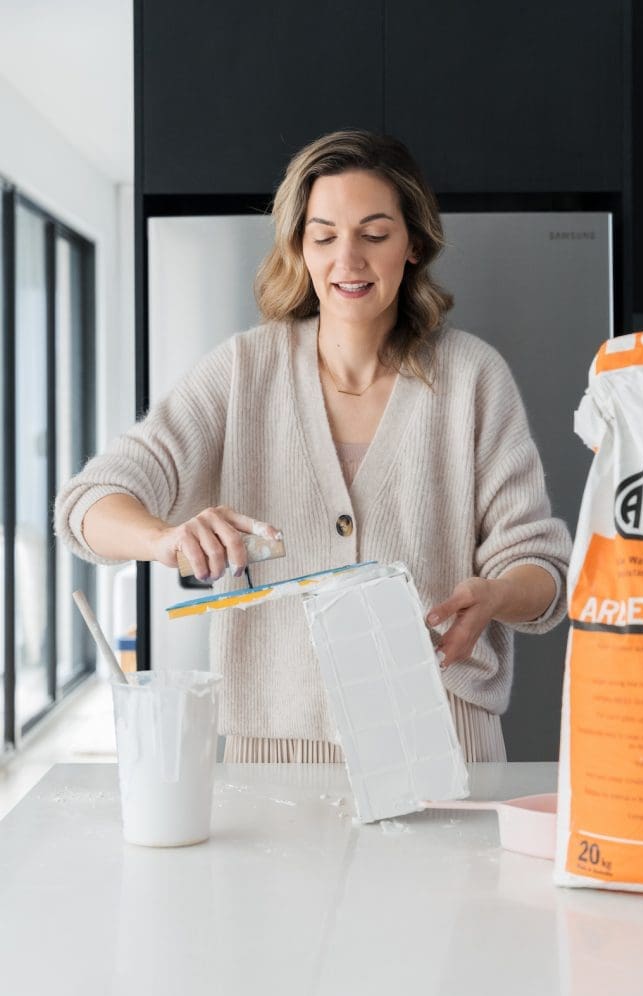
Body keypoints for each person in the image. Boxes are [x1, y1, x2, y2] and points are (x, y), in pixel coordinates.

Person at [55, 129, 572, 764]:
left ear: (413, 244)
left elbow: (545, 574)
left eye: (374, 234)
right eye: (323, 236)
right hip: (275, 755)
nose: (347, 260)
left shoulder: (471, 378)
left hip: (441, 742)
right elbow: (89, 504)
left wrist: (496, 595)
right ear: (299, 246)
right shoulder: (244, 370)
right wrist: (166, 539)